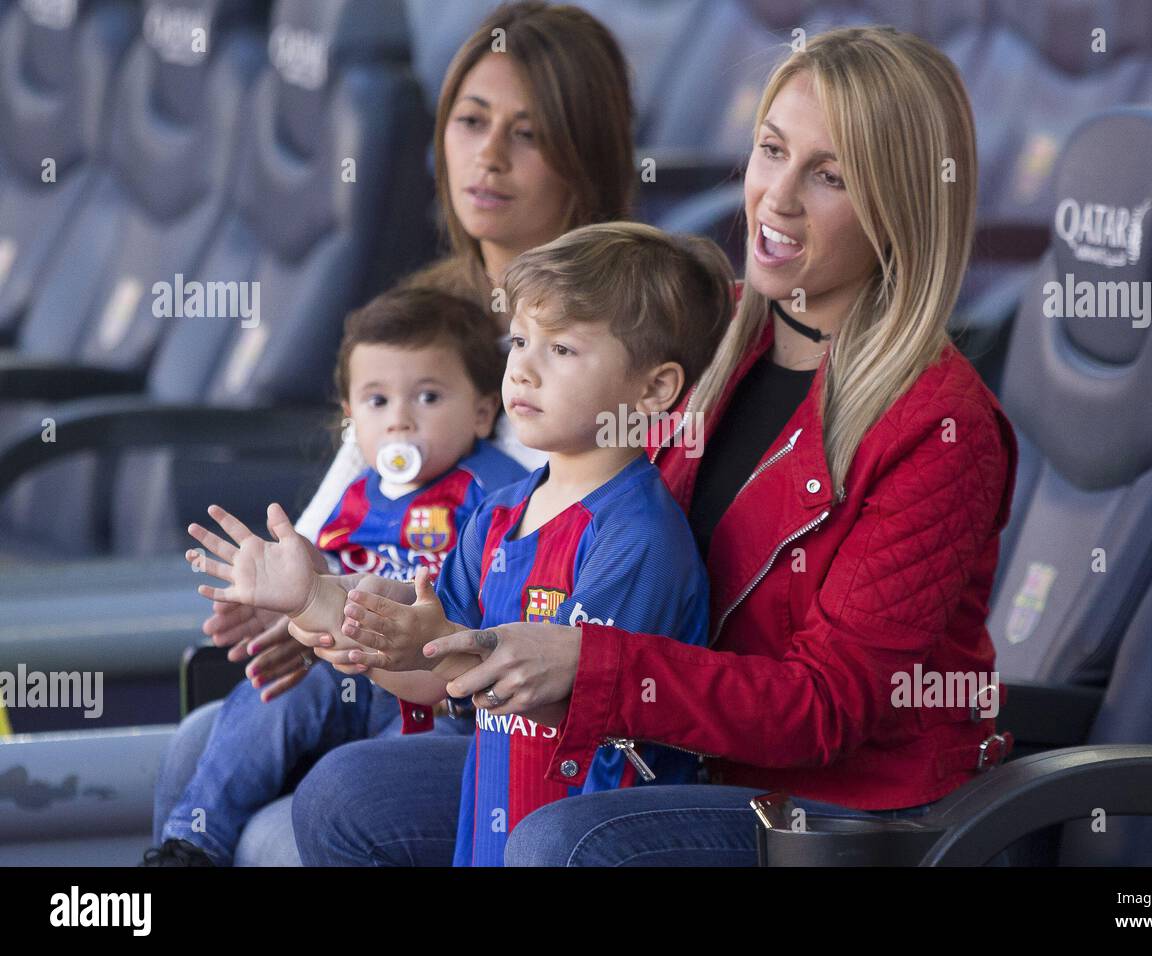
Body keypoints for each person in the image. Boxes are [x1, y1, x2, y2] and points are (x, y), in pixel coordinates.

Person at [293, 25, 1020, 867]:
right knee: (345, 797)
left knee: (562, 844)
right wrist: (399, 619)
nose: (774, 199)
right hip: (664, 752)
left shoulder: (939, 426)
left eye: (828, 176)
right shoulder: (715, 332)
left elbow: (828, 709)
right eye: (771, 151)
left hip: (835, 818)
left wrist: (592, 664)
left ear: (901, 204)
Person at [149, 0, 636, 864]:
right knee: (197, 741)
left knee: (272, 828)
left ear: (586, 161)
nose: (488, 156)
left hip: (481, 693)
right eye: (472, 122)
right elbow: (332, 531)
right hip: (363, 669)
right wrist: (280, 611)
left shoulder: (615, 340)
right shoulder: (422, 326)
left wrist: (340, 622)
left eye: (528, 134)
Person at [307, 222, 733, 865]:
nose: (524, 371)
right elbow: (432, 677)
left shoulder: (638, 537)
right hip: (493, 836)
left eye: (561, 350)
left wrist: (415, 646)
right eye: (521, 341)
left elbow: (570, 699)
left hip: (587, 844)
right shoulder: (496, 514)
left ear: (653, 390)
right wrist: (318, 607)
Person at [142, 283, 527, 866]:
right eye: (377, 402)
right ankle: (191, 843)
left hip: (441, 701)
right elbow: (321, 580)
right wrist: (289, 601)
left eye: (427, 397)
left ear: (481, 410)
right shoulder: (354, 497)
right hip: (342, 680)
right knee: (267, 700)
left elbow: (494, 601)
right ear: (351, 418)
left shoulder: (495, 493)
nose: (399, 420)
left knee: (373, 765)